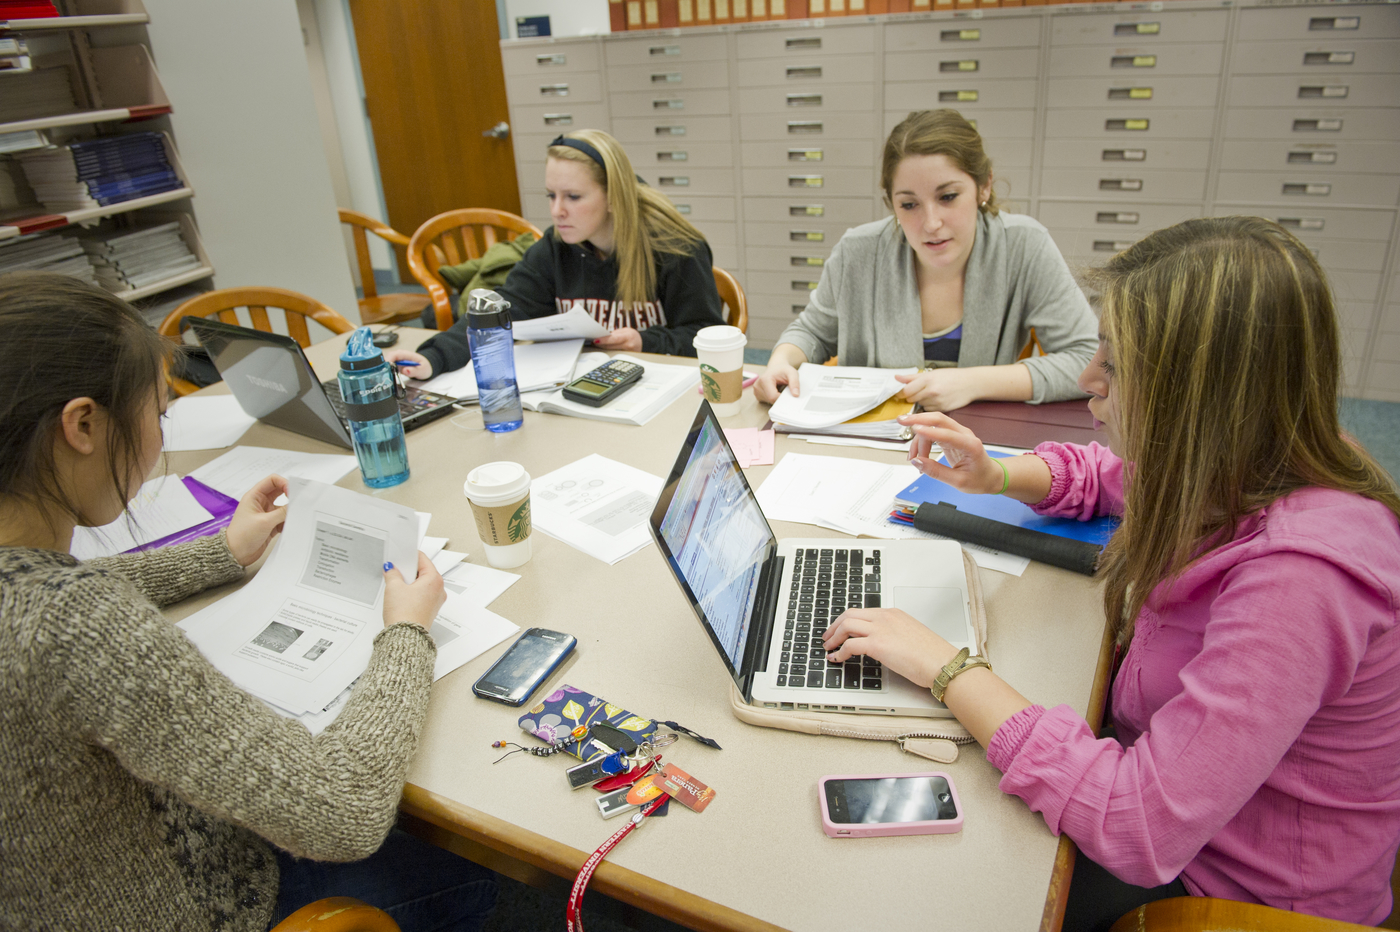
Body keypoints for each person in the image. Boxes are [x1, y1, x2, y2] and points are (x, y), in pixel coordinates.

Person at [820, 217, 1400, 929]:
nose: (1090, 379)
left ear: (1203, 394)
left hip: (1233, 898)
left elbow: (1139, 827)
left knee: (928, 894)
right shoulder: (1248, 453)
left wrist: (945, 667)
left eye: (1117, 365)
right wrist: (995, 472)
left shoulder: (1302, 581)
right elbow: (1111, 475)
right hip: (1185, 810)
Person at [0, 273, 497, 931]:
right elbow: (343, 811)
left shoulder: (35, 596)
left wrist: (220, 553)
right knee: (480, 879)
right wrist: (406, 633)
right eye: (159, 411)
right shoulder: (75, 620)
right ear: (83, 424)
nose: (161, 437)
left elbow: (37, 600)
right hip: (201, 906)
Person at [755, 109, 1098, 410]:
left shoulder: (1024, 245)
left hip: (979, 443)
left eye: (948, 197)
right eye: (909, 204)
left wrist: (971, 383)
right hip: (870, 443)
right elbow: (813, 332)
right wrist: (781, 361)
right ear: (891, 202)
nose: (931, 224)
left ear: (984, 186)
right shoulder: (858, 251)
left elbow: (1089, 359)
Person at [389, 129, 725, 380]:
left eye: (573, 197)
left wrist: (644, 339)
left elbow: (707, 334)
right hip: (585, 389)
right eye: (551, 195)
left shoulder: (676, 249)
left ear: (613, 198)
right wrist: (433, 358)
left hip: (661, 390)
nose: (556, 211)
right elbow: (502, 311)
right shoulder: (555, 248)